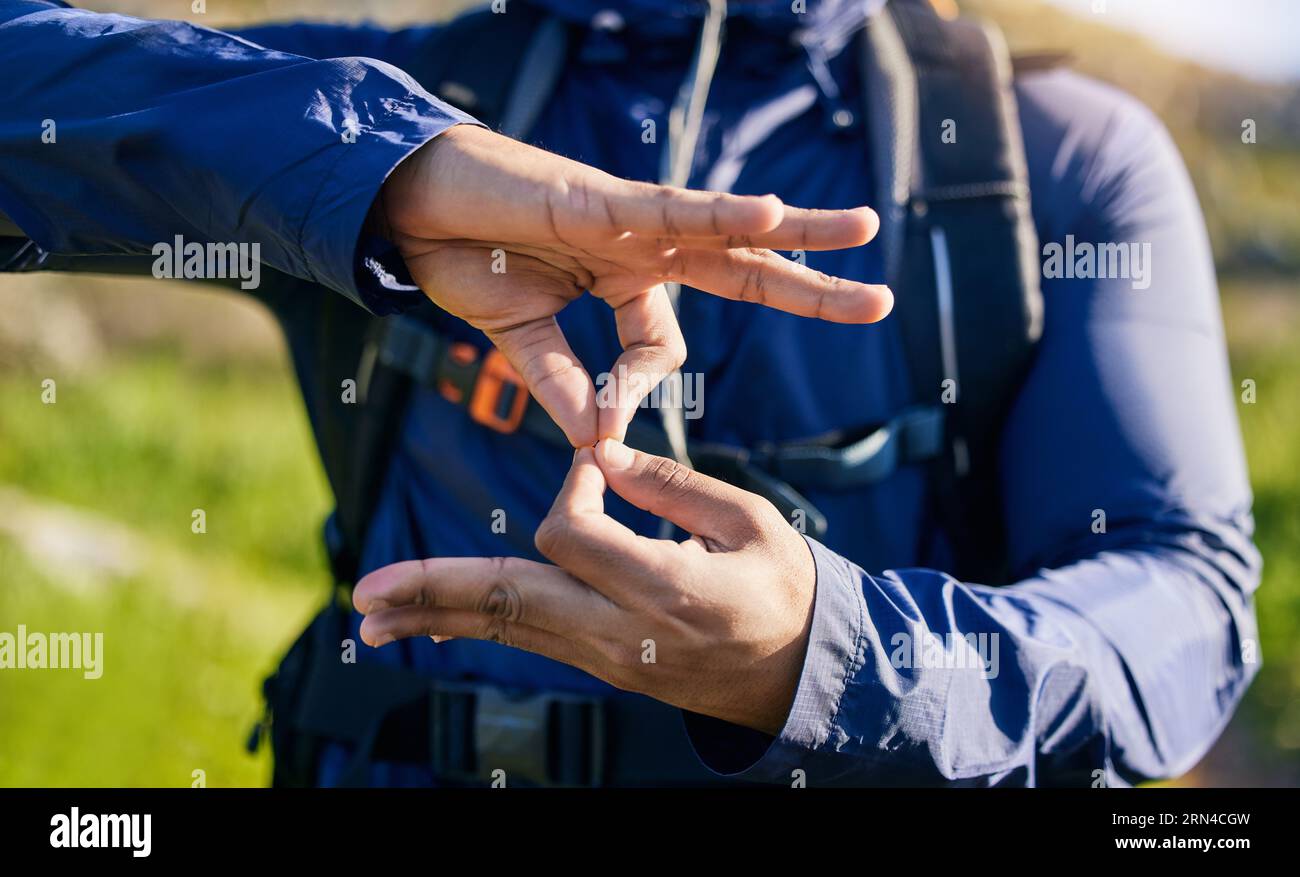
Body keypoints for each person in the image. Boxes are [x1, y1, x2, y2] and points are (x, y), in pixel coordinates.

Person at [0, 0, 1260, 787]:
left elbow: (1183, 598)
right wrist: (371, 168)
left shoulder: (1051, 160)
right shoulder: (380, 93)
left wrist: (839, 664)